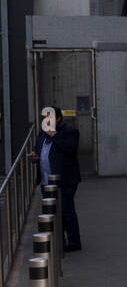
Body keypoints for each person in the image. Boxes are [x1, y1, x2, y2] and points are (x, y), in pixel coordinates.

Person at [28, 106, 83, 251]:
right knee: (52, 212)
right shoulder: (42, 133)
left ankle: (74, 241)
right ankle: (59, 242)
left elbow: (70, 148)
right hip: (46, 180)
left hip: (65, 179)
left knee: (66, 210)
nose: (45, 120)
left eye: (49, 117)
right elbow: (39, 149)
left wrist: (53, 134)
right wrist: (35, 156)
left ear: (58, 118)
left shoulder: (69, 131)